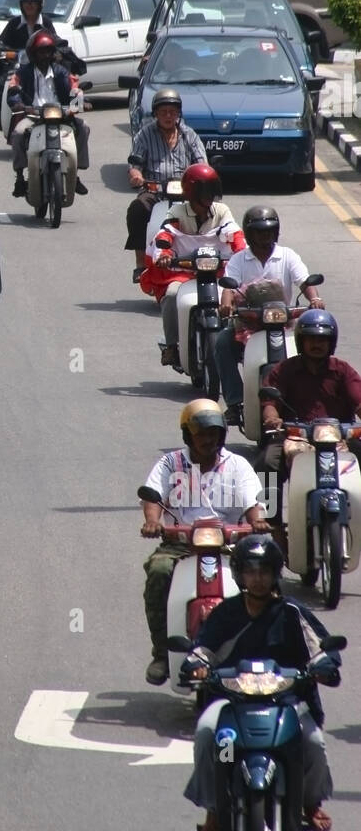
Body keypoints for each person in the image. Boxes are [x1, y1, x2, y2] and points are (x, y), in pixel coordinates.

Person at [181, 535, 342, 831]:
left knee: (313, 742)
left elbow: (320, 650)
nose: (257, 579)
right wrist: (196, 665)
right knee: (207, 737)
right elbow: (202, 650)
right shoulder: (225, 613)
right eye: (251, 571)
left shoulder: (292, 612)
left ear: (275, 574)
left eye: (264, 571)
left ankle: (310, 802)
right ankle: (214, 809)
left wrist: (322, 668)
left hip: (287, 702)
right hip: (230, 703)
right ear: (240, 574)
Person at [140, 400, 267, 686]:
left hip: (231, 544)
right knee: (158, 572)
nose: (208, 440)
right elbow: (152, 496)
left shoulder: (237, 465)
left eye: (213, 433)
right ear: (188, 435)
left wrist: (257, 521)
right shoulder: (170, 463)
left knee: (267, 577)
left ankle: (267, 649)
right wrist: (152, 521)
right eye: (201, 433)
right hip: (181, 543)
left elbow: (252, 501)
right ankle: (162, 653)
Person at [214, 206, 324, 426]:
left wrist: (315, 300)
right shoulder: (238, 260)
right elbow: (228, 287)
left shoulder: (287, 256)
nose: (266, 236)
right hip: (247, 323)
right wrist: (225, 304)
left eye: (270, 231)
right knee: (222, 342)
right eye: (260, 232)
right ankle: (235, 404)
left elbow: (304, 281)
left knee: (317, 344)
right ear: (249, 233)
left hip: (283, 323)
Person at [141, 163, 246, 368]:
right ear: (191, 192)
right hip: (183, 272)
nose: (209, 196)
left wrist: (242, 254)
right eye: (204, 191)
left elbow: (235, 234)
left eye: (212, 189)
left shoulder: (222, 211)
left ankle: (239, 340)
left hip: (217, 270)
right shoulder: (177, 211)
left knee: (240, 295)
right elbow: (165, 235)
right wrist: (164, 254)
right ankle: (172, 346)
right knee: (171, 296)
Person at [258, 309, 361, 512]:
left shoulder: (343, 370)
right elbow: (270, 402)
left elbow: (359, 400)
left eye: (322, 339)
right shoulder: (284, 369)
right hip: (295, 435)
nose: (316, 344)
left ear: (331, 343)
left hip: (339, 437)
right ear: (300, 341)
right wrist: (272, 418)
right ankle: (271, 521)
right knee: (267, 465)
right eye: (311, 339)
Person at [126, 89, 208, 282]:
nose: (168, 116)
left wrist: (204, 177)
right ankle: (140, 264)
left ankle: (208, 259)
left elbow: (202, 163)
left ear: (179, 113)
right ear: (156, 114)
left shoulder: (190, 135)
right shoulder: (144, 134)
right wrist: (136, 176)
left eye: (172, 111)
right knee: (137, 209)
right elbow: (134, 165)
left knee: (208, 212)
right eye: (163, 112)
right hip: (154, 191)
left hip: (186, 191)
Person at [6, 29, 90, 198]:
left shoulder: (61, 72)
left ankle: (76, 173)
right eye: (41, 52)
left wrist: (80, 102)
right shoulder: (23, 72)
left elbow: (74, 88)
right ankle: (20, 177)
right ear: (33, 54)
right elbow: (13, 88)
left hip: (60, 116)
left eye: (48, 52)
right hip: (33, 115)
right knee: (18, 133)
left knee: (84, 127)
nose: (44, 56)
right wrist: (17, 103)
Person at [0, 0, 60, 125]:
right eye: (26, 3)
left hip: (42, 65)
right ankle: (3, 119)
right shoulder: (14, 23)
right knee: (6, 89)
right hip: (19, 66)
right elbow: (2, 43)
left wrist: (59, 52)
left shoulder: (46, 23)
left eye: (33, 3)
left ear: (40, 5)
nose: (29, 6)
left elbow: (56, 42)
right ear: (21, 5)